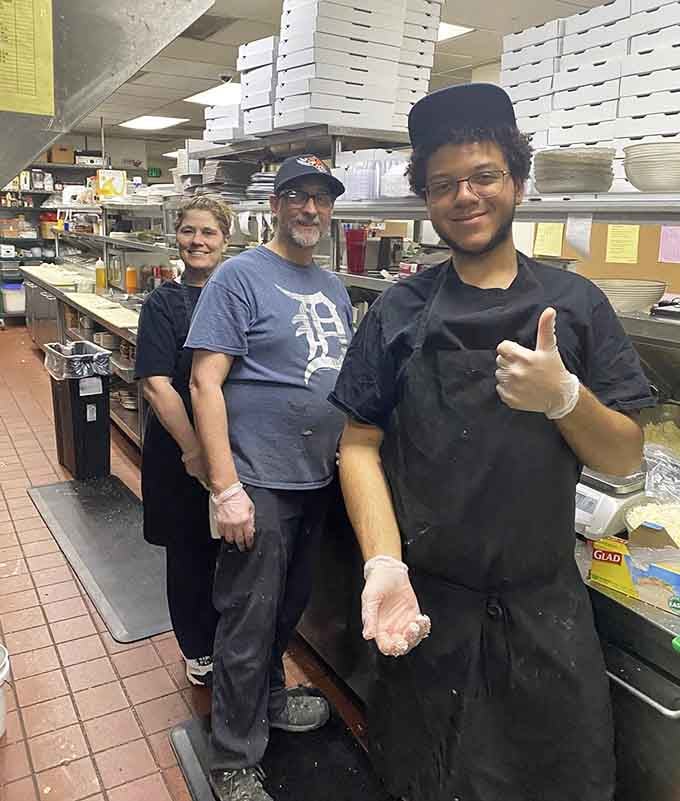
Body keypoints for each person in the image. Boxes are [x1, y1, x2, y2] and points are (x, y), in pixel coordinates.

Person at [329, 84, 655, 801]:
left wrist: (565, 399)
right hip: (426, 611)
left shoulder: (577, 306)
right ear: (424, 196)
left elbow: (625, 454)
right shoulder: (397, 310)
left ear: (517, 180)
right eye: (443, 183)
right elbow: (357, 444)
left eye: (483, 175)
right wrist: (382, 560)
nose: (465, 196)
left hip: (546, 615)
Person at [186, 154, 353, 801]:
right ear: (277, 204)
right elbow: (205, 381)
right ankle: (232, 754)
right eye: (299, 196)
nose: (311, 209)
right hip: (258, 479)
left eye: (322, 198)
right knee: (247, 620)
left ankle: (271, 698)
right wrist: (226, 488)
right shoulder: (240, 276)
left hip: (316, 479)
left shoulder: (333, 286)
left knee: (287, 608)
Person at [135, 196, 231, 688]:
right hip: (180, 453)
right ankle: (198, 649)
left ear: (225, 240)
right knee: (190, 552)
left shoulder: (237, 296)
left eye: (208, 232)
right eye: (189, 231)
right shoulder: (164, 302)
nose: (198, 241)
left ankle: (231, 641)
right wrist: (196, 450)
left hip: (233, 452)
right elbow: (156, 384)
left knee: (230, 552)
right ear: (177, 238)